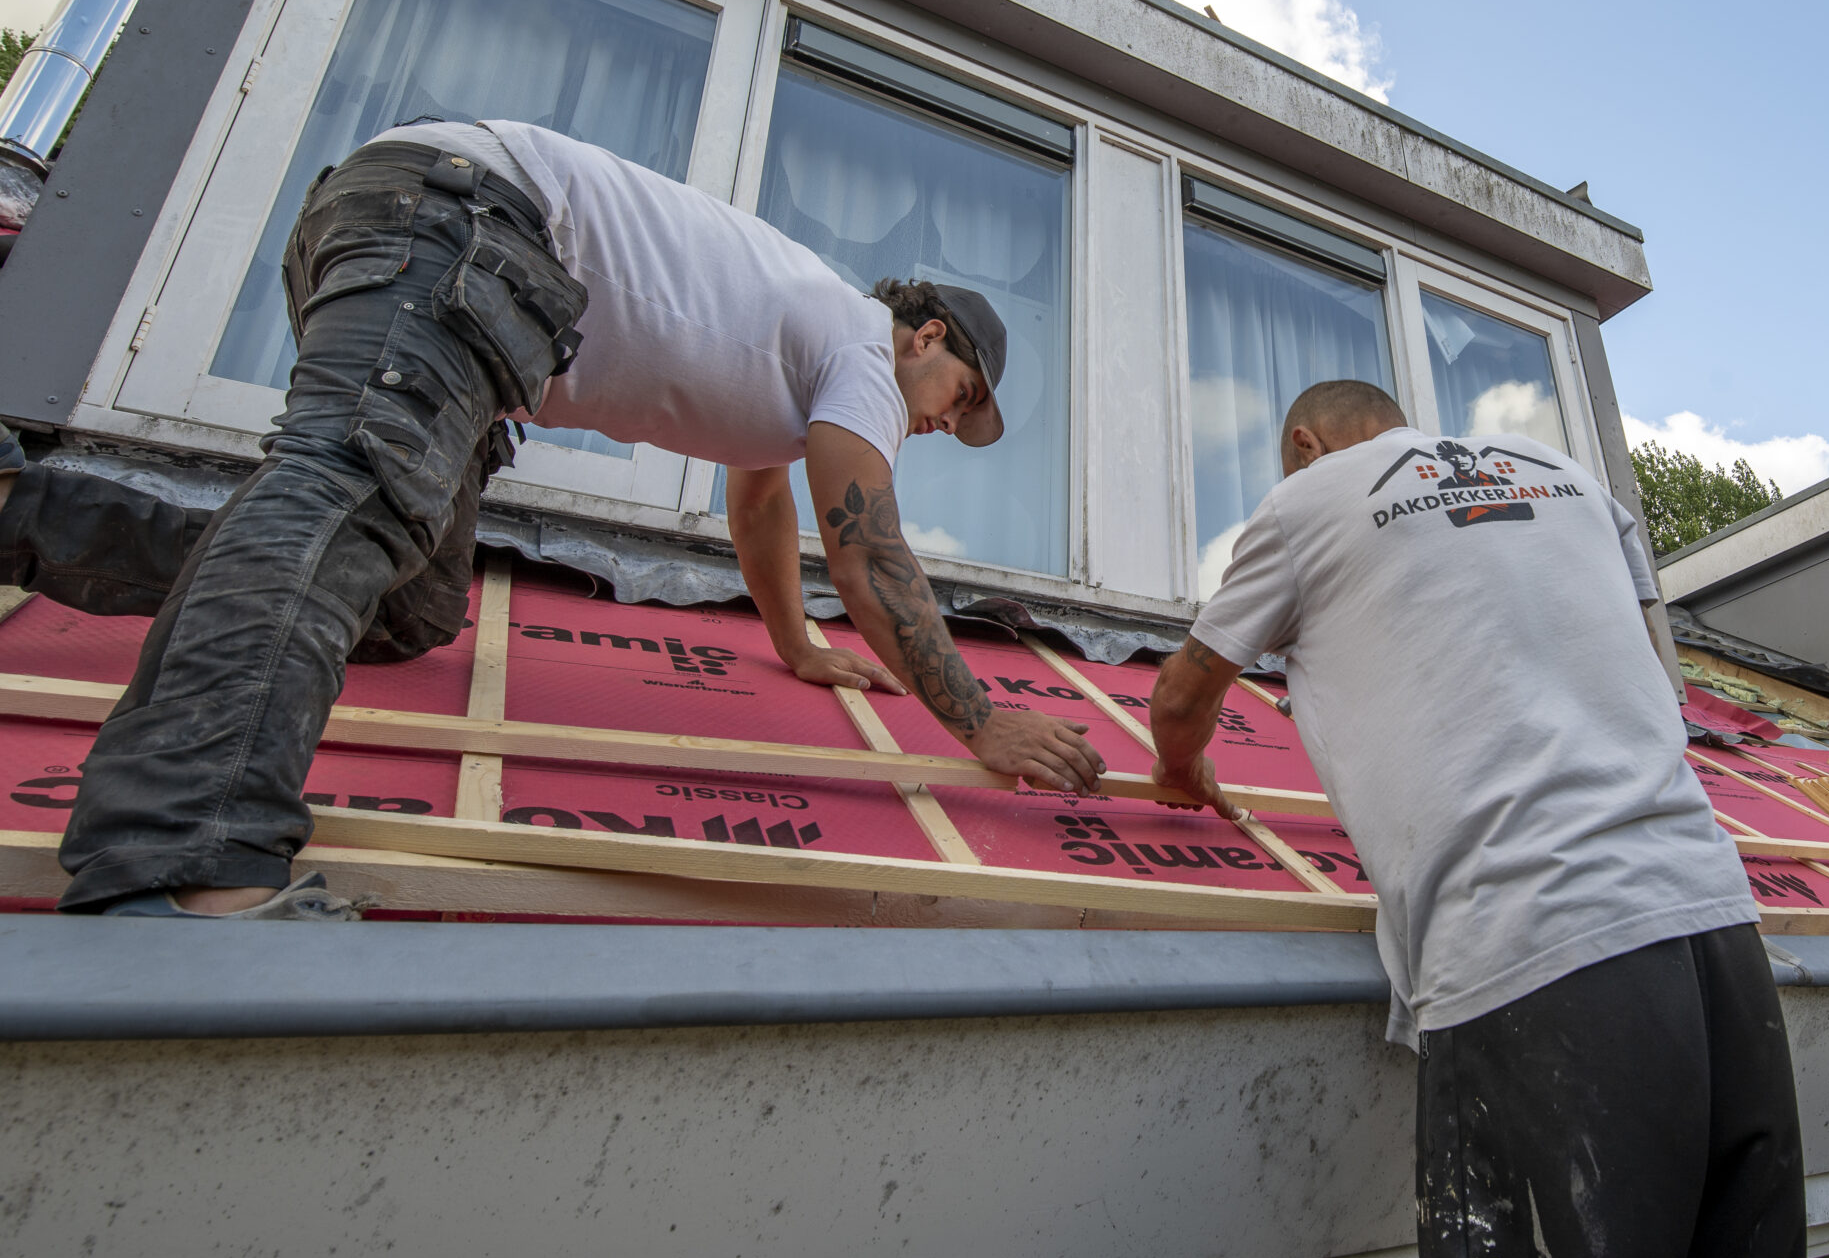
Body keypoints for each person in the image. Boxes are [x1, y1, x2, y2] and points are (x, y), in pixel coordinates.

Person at [29, 118, 1102, 920]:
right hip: (462, 225)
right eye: (959, 395)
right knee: (353, 502)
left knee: (403, 601)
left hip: (427, 238)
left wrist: (795, 645)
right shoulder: (865, 345)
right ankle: (185, 855)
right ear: (926, 335)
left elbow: (761, 504)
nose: (943, 422)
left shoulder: (803, 369)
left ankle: (21, 510)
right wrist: (980, 721)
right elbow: (868, 550)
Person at [1147, 379, 1804, 1258]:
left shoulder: (1308, 500)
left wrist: (1180, 767)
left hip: (1530, 942)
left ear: (1303, 445)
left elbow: (1180, 695)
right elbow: (1661, 683)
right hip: (1719, 933)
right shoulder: (1568, 477)